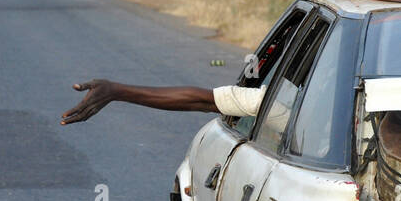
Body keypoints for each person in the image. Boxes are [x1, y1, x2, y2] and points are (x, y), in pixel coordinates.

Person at [60, 79, 264, 124]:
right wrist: (115, 92)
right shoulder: (282, 105)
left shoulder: (283, 106)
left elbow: (204, 102)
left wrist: (116, 92)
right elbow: (206, 101)